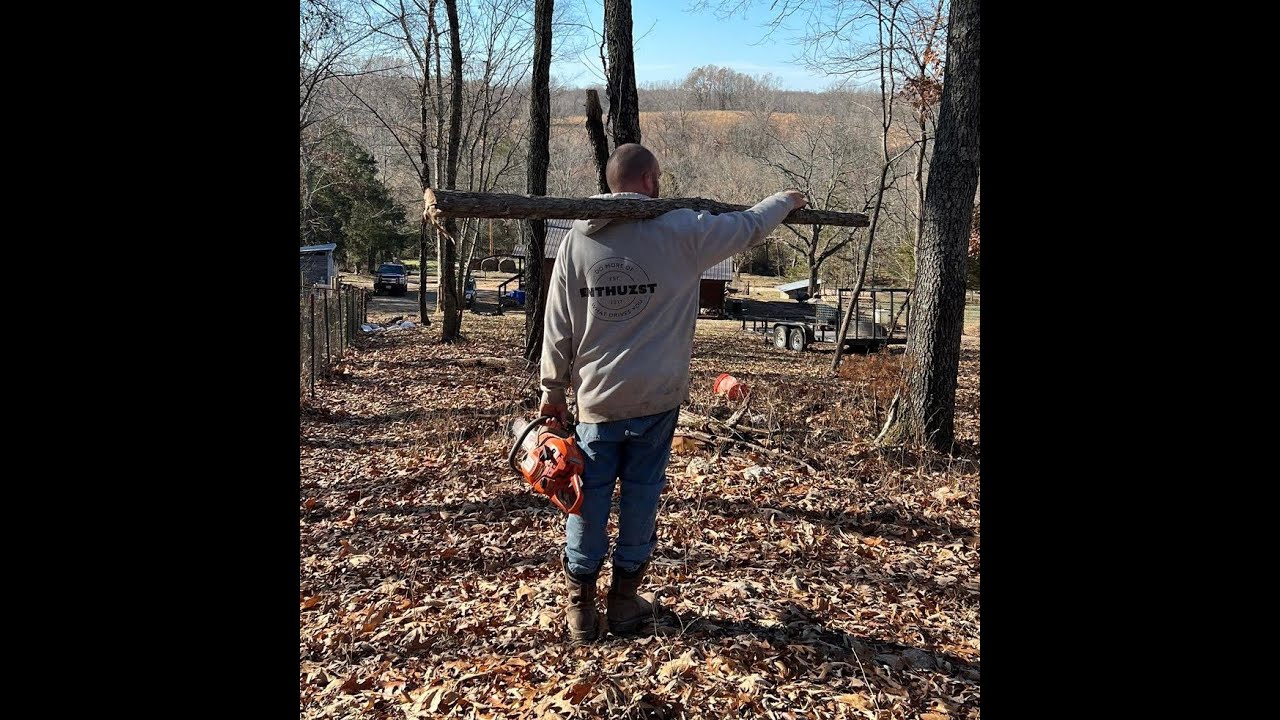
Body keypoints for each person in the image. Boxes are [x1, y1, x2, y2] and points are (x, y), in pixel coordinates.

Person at [539, 143, 807, 643]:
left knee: (585, 502)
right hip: (657, 399)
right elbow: (749, 225)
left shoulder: (577, 240)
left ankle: (580, 609)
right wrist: (785, 199)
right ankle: (622, 603)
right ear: (649, 181)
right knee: (641, 498)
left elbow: (557, 325)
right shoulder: (684, 230)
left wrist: (552, 393)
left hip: (596, 400)